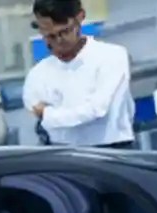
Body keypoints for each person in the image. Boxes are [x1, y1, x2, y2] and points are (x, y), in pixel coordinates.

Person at [23, 0, 135, 149]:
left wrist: (48, 115)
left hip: (113, 153)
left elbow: (96, 110)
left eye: (64, 32)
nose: (58, 41)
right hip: (62, 157)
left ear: (80, 17)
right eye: (49, 36)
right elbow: (36, 115)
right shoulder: (37, 75)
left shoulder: (112, 57)